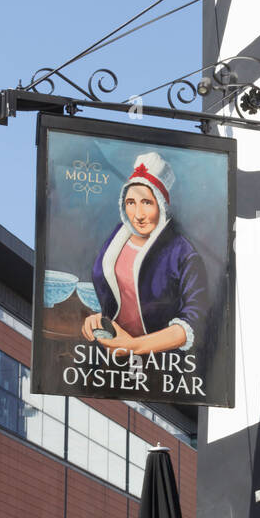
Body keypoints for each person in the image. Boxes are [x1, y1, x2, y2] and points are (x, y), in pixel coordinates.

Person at [82, 152, 208, 369]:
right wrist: (98, 318)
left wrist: (134, 346)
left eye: (147, 203)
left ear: (161, 205)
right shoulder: (117, 237)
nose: (138, 214)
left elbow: (193, 322)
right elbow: (112, 288)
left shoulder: (183, 253)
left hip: (162, 366)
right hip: (111, 357)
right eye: (131, 202)